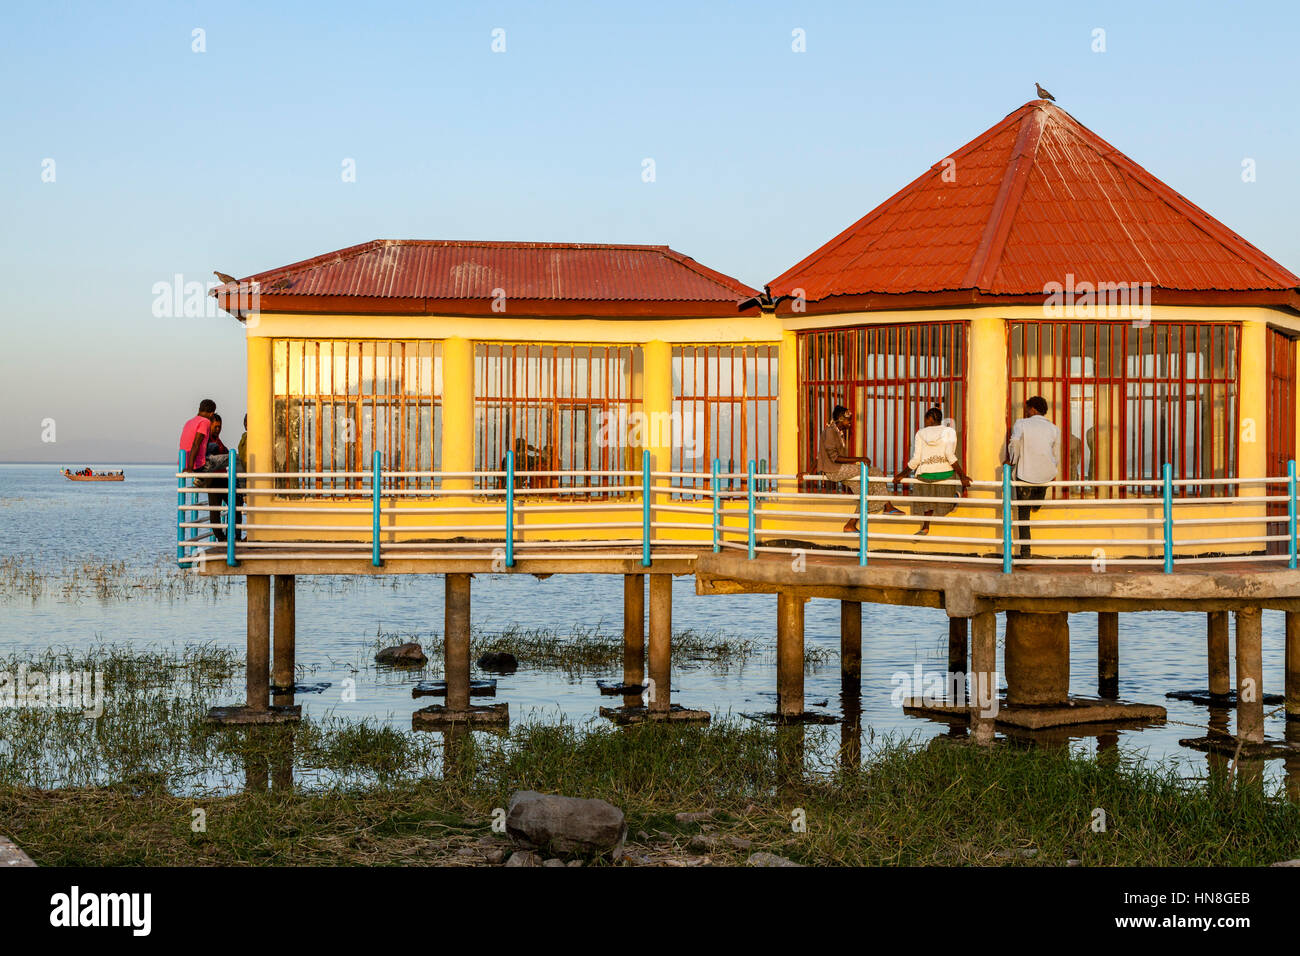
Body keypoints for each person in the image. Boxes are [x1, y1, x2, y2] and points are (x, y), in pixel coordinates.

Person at [817, 405, 902, 534]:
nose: (850, 423)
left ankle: (850, 524)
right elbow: (834, 457)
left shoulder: (838, 433)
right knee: (876, 472)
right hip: (835, 471)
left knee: (865, 494)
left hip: (839, 470)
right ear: (840, 419)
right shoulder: (830, 432)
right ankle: (887, 505)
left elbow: (819, 455)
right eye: (848, 420)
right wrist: (860, 458)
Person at [893, 407, 972, 536]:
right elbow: (949, 455)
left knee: (927, 503)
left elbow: (916, 459)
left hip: (925, 475)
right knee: (946, 501)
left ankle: (925, 526)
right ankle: (955, 497)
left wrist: (901, 475)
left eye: (926, 419)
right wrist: (962, 476)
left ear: (929, 419)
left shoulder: (920, 433)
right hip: (945, 474)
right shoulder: (949, 431)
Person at [1002, 395, 1061, 557]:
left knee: (1023, 514)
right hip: (1046, 475)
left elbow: (1014, 443)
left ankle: (1025, 553)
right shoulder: (1054, 428)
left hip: (1025, 475)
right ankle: (1037, 502)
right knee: (1035, 503)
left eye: (1028, 409)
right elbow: (1056, 455)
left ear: (1033, 409)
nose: (1027, 412)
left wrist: (1012, 460)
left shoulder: (1021, 424)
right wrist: (1051, 468)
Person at [204, 414, 232, 542]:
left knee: (235, 503)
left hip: (223, 477)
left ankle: (234, 535)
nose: (218, 429)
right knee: (215, 510)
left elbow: (226, 453)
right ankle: (221, 538)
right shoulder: (208, 442)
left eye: (220, 427)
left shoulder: (218, 441)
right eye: (215, 427)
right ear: (209, 426)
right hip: (213, 478)